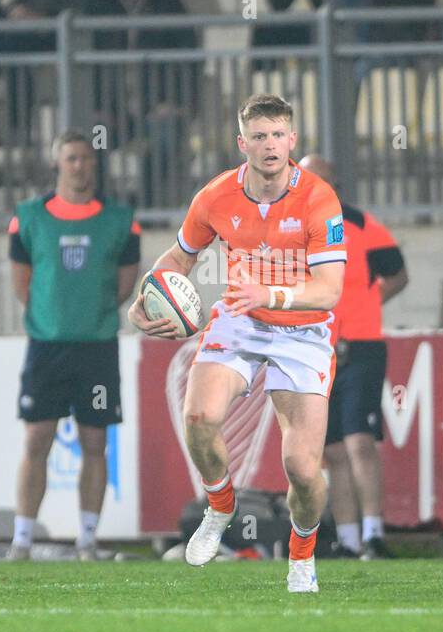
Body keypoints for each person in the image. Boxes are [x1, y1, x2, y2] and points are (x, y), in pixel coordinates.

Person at [128, 94, 347, 593]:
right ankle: (221, 506)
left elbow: (330, 289)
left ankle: (301, 556)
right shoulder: (216, 196)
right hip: (241, 320)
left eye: (278, 135)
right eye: (260, 136)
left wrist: (270, 292)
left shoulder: (318, 199)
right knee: (199, 418)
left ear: (292, 141)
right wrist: (145, 295)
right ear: (241, 143)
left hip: (304, 327)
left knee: (302, 469)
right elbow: (181, 258)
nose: (270, 145)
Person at [8, 131, 141, 561]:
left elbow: (125, 285)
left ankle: (87, 539)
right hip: (46, 346)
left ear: (94, 163)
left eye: (85, 158)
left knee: (94, 441)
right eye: (70, 158)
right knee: (36, 439)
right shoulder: (28, 216)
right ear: (57, 163)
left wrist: (90, 314)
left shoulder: (121, 221)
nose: (79, 165)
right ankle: (22, 539)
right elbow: (22, 283)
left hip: (97, 347)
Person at [298, 154, 407, 560]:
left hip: (361, 347)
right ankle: (347, 539)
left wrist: (366, 306)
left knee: (360, 440)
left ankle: (374, 534)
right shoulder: (293, 231)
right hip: (316, 347)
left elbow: (398, 273)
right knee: (334, 450)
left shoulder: (361, 224)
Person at [82, 0, 198, 207]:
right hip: (110, 110)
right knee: (94, 140)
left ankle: (146, 209)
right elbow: (84, 64)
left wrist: (177, 102)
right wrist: (95, 105)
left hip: (157, 105)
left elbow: (190, 57)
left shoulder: (168, 2)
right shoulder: (95, 4)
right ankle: (101, 209)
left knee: (165, 138)